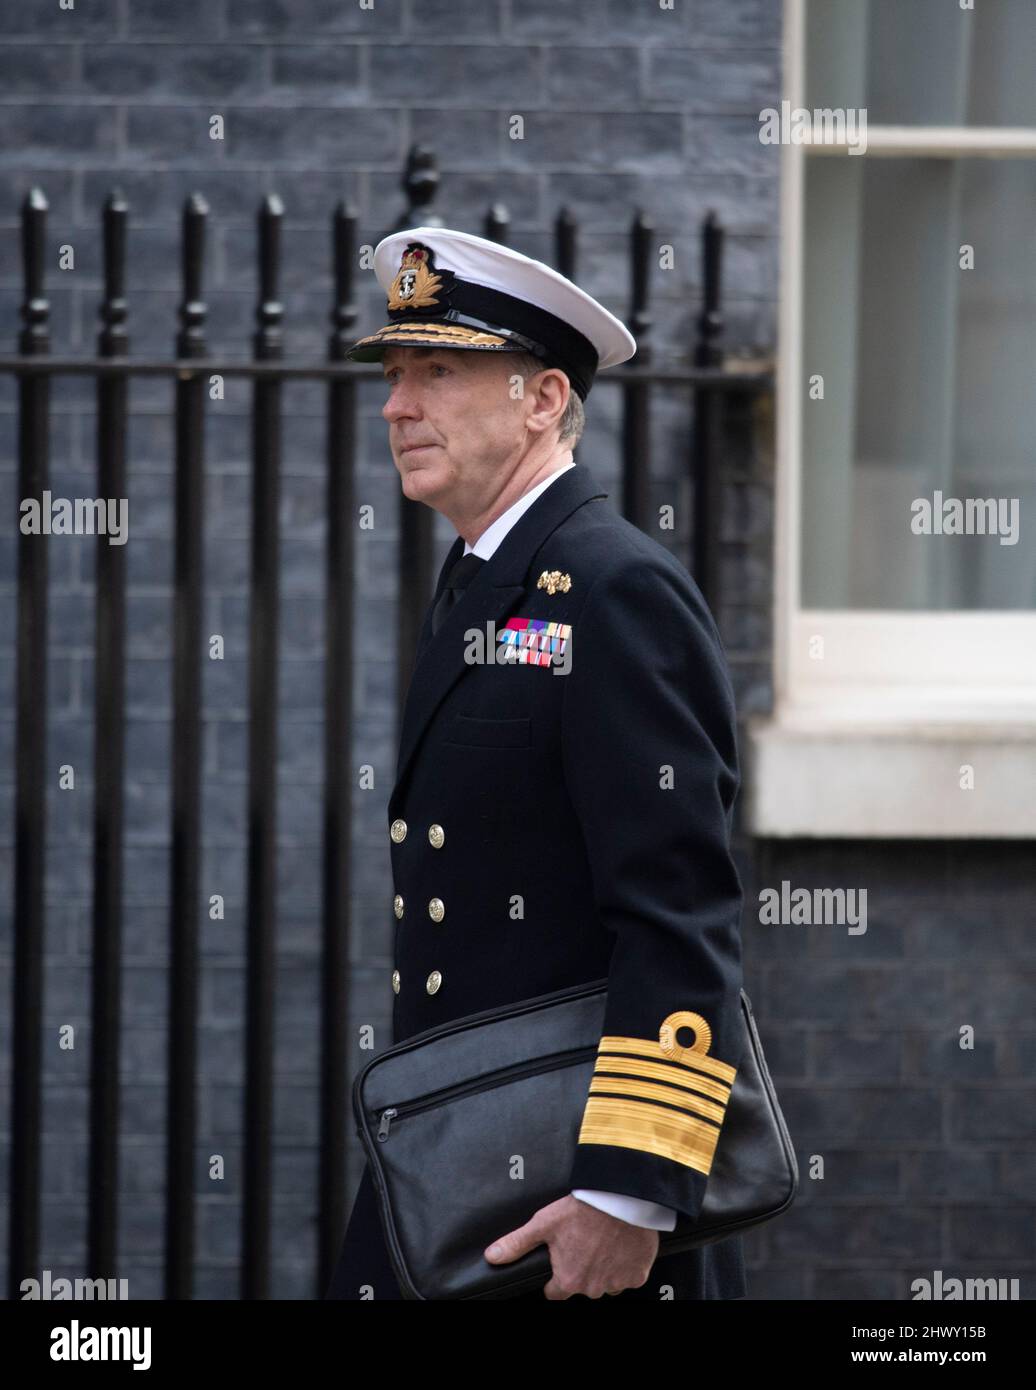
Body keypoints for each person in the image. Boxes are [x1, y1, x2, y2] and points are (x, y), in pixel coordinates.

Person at [324, 227, 747, 1301]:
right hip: (466, 1155)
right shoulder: (486, 577)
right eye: (393, 374)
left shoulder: (610, 587)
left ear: (543, 397)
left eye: (438, 371)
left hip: (570, 1195)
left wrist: (626, 1194)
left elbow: (679, 909)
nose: (396, 406)